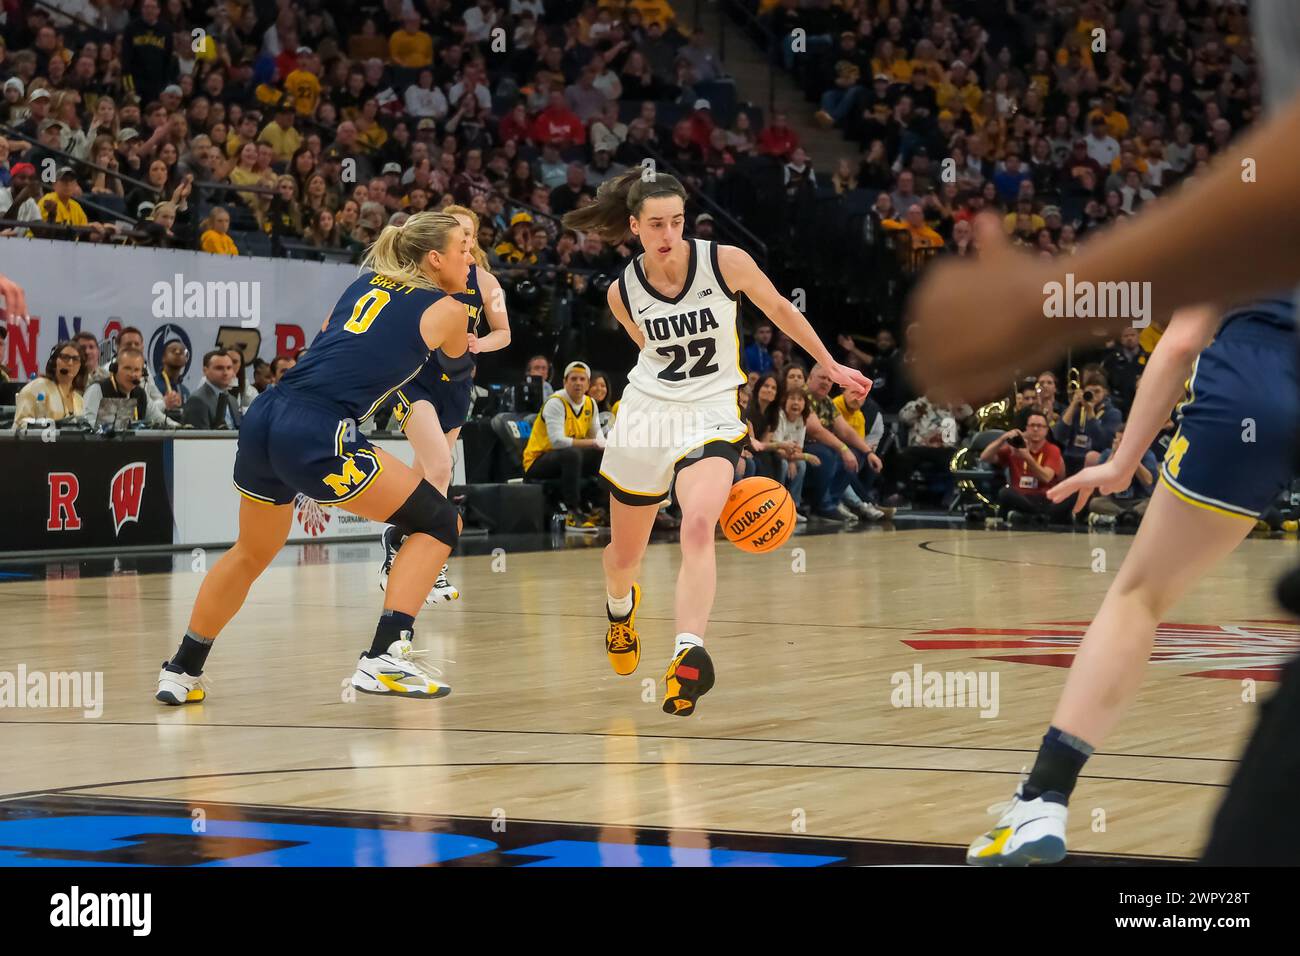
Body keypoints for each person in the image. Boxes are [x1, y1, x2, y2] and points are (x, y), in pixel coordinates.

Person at [967, 298, 1298, 864]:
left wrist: (1123, 463)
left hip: (1252, 384)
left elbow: (1180, 342)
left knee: (1139, 598)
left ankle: (1043, 796)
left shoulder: (1247, 211)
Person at [562, 168, 871, 717]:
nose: (667, 233)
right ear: (633, 226)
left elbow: (779, 309)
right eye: (655, 224)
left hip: (709, 411)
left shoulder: (724, 262)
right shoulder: (621, 291)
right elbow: (647, 355)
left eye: (676, 222)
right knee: (622, 558)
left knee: (700, 522)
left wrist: (829, 363)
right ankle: (618, 611)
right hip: (648, 415)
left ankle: (688, 653)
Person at [155, 211, 472, 706]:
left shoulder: (365, 285)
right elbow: (455, 364)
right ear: (435, 259)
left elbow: (333, 335)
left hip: (266, 413)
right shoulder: (452, 309)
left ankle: (182, 670)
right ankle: (384, 656)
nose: (471, 258)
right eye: (463, 249)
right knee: (441, 522)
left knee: (251, 551)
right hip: (320, 428)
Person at [377, 204, 511, 603]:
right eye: (458, 234)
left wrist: (479, 342)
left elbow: (503, 333)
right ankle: (427, 558)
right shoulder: (422, 276)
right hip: (416, 379)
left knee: (428, 478)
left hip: (457, 382)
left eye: (469, 234)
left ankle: (400, 541)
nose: (465, 241)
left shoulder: (487, 283)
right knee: (439, 466)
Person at [522, 360, 606, 531]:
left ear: (588, 384)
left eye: (582, 380)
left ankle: (600, 508)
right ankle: (572, 513)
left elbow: (597, 437)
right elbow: (557, 441)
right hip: (538, 461)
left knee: (604, 455)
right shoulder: (556, 402)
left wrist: (606, 444)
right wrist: (593, 442)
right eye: (573, 379)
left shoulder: (590, 404)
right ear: (564, 382)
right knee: (572, 454)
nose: (578, 383)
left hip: (568, 458)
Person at [15, 340, 87, 425]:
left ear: (80, 366)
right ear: (54, 361)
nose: (70, 363)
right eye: (65, 357)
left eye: (75, 359)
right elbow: (20, 424)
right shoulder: (37, 387)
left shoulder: (79, 400)